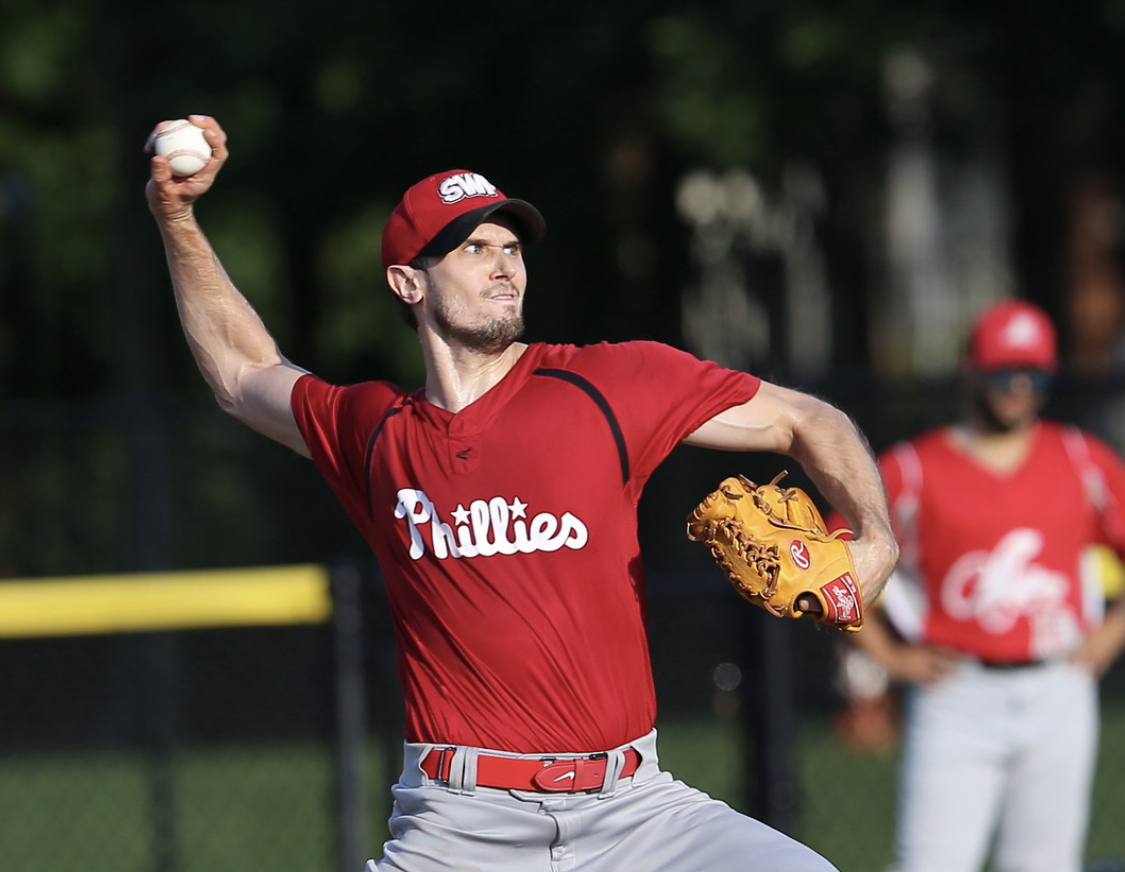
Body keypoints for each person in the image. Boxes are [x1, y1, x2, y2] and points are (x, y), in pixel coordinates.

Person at [144, 115, 898, 872]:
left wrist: (876, 539)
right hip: (459, 827)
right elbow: (241, 374)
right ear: (408, 282)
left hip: (638, 812)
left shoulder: (609, 385)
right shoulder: (374, 431)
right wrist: (176, 218)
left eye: (511, 247)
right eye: (473, 248)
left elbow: (806, 419)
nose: (503, 265)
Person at [837, 298, 1125, 872]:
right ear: (970, 370)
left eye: (1033, 373)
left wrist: (1111, 633)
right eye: (1003, 371)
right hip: (957, 692)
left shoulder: (1081, 459)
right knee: (932, 864)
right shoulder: (912, 469)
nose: (1018, 386)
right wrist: (888, 656)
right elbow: (830, 567)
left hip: (1059, 685)